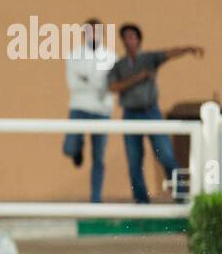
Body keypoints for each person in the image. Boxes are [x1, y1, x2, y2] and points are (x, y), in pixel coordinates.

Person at [106, 24, 204, 203]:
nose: (129, 41)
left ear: (138, 40)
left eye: (132, 37)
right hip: (131, 114)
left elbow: (169, 53)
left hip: (151, 111)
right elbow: (112, 87)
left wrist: (189, 49)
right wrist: (138, 78)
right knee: (134, 160)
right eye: (126, 37)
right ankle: (141, 200)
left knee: (166, 155)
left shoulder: (149, 58)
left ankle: (181, 195)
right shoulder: (119, 65)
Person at [62, 19, 115, 204]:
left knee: (99, 158)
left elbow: (110, 86)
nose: (94, 35)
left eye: (97, 31)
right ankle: (78, 149)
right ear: (84, 34)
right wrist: (97, 83)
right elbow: (73, 84)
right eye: (90, 31)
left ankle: (96, 199)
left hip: (102, 111)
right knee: (69, 148)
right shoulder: (74, 56)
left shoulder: (110, 57)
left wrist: (87, 80)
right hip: (79, 107)